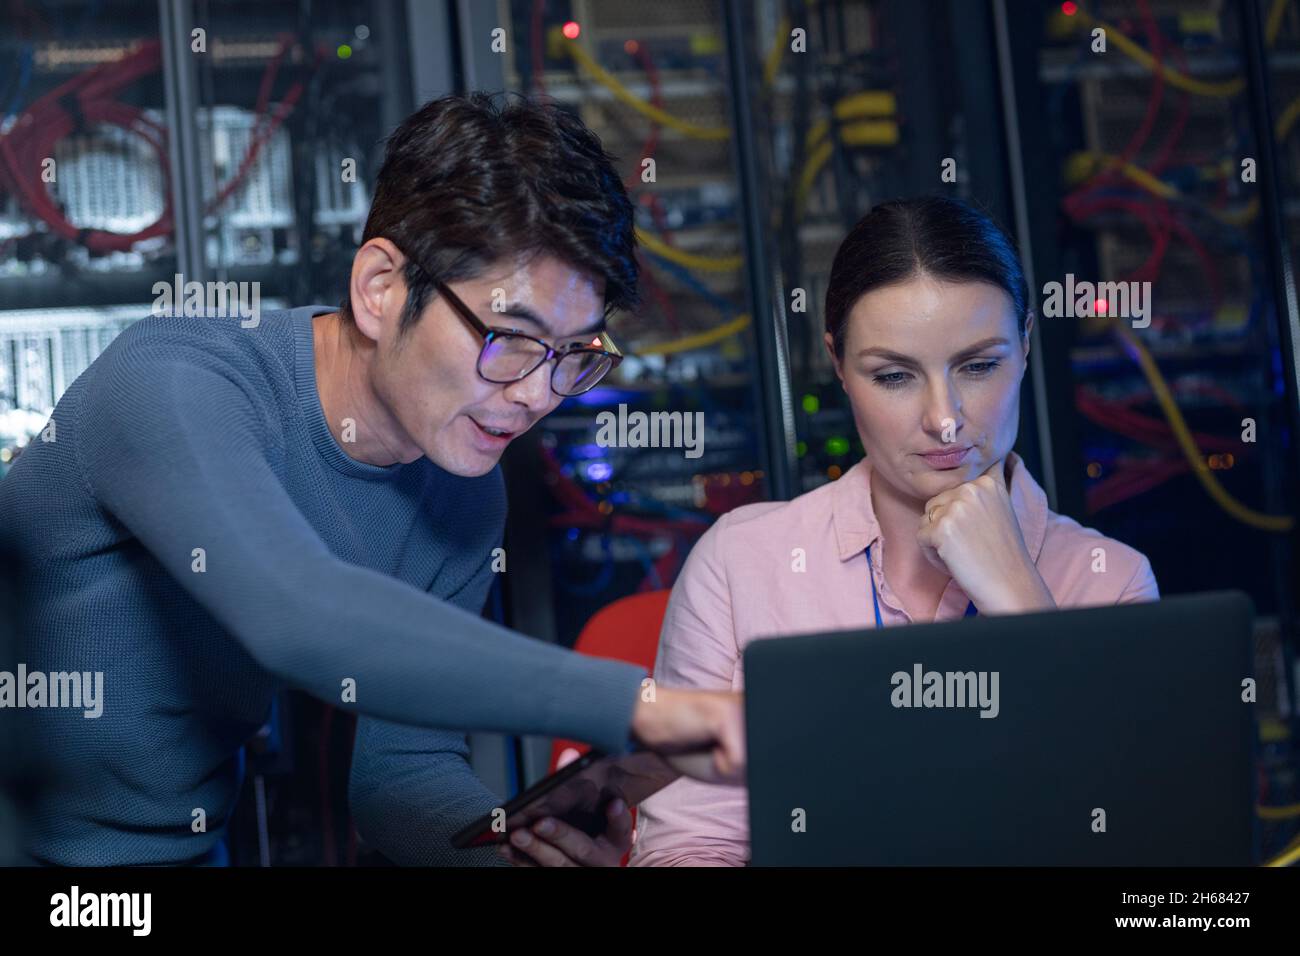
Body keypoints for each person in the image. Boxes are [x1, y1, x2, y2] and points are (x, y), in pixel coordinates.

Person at [0, 92, 743, 868]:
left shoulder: (464, 489)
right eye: (513, 338)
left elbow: (400, 773)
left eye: (574, 357)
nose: (535, 394)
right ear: (381, 289)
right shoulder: (176, 380)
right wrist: (639, 706)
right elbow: (296, 612)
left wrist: (509, 852)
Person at [629, 196, 1159, 867]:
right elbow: (689, 846)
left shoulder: (1109, 583)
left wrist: (1021, 602)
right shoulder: (742, 562)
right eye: (895, 376)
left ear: (1026, 347)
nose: (945, 419)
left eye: (977, 365)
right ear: (840, 368)